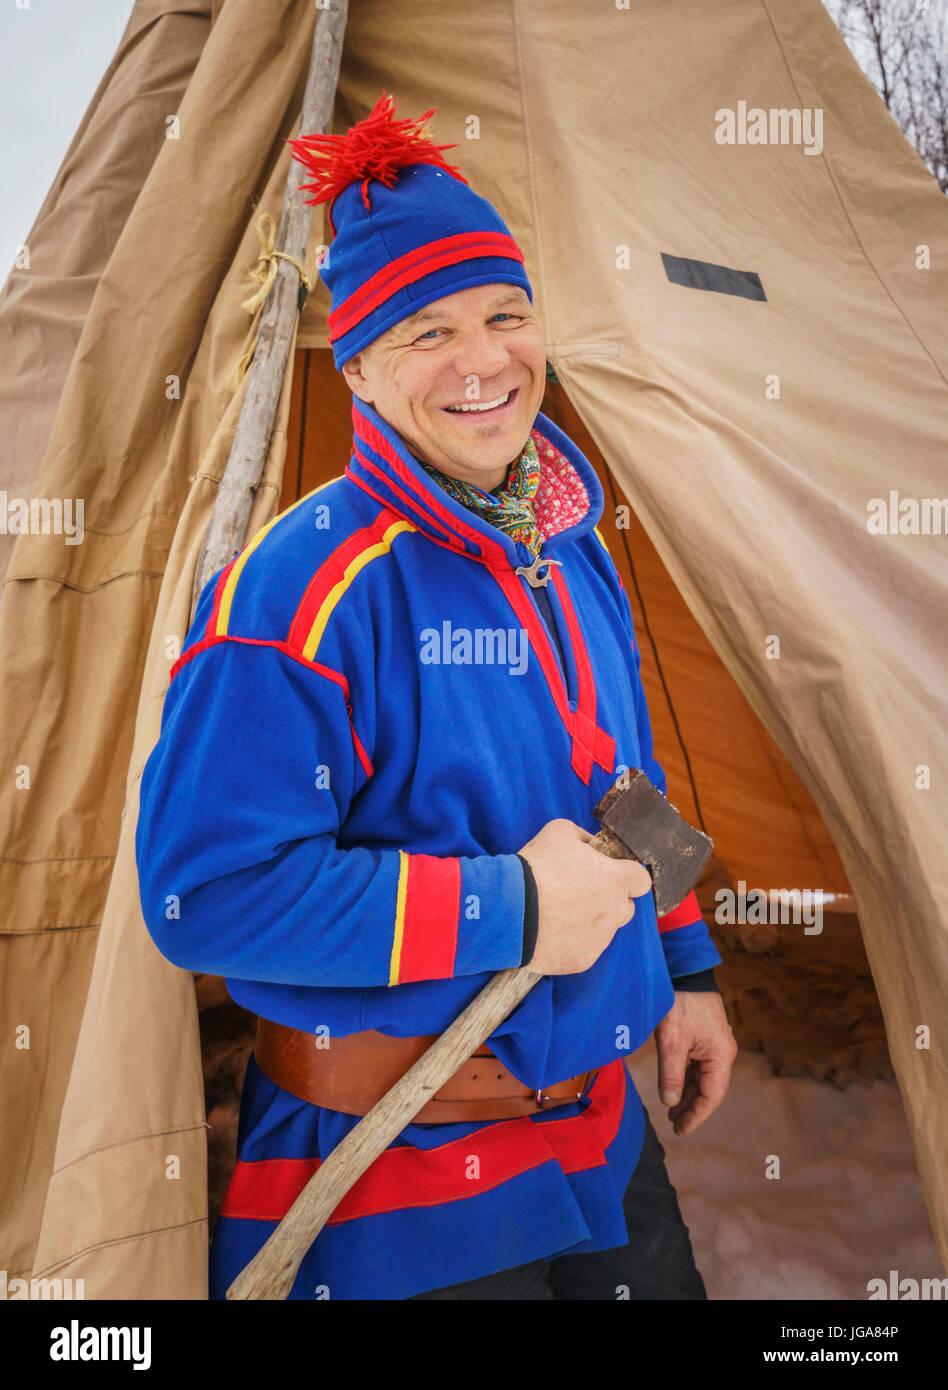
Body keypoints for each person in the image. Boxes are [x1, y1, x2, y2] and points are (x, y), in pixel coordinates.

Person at [135, 92, 737, 1301]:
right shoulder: (298, 593)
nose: (483, 360)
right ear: (354, 366)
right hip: (396, 1177)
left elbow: (623, 786)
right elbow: (206, 894)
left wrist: (688, 977)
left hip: (603, 1140)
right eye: (425, 329)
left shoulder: (573, 548)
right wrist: (509, 907)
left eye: (506, 315)